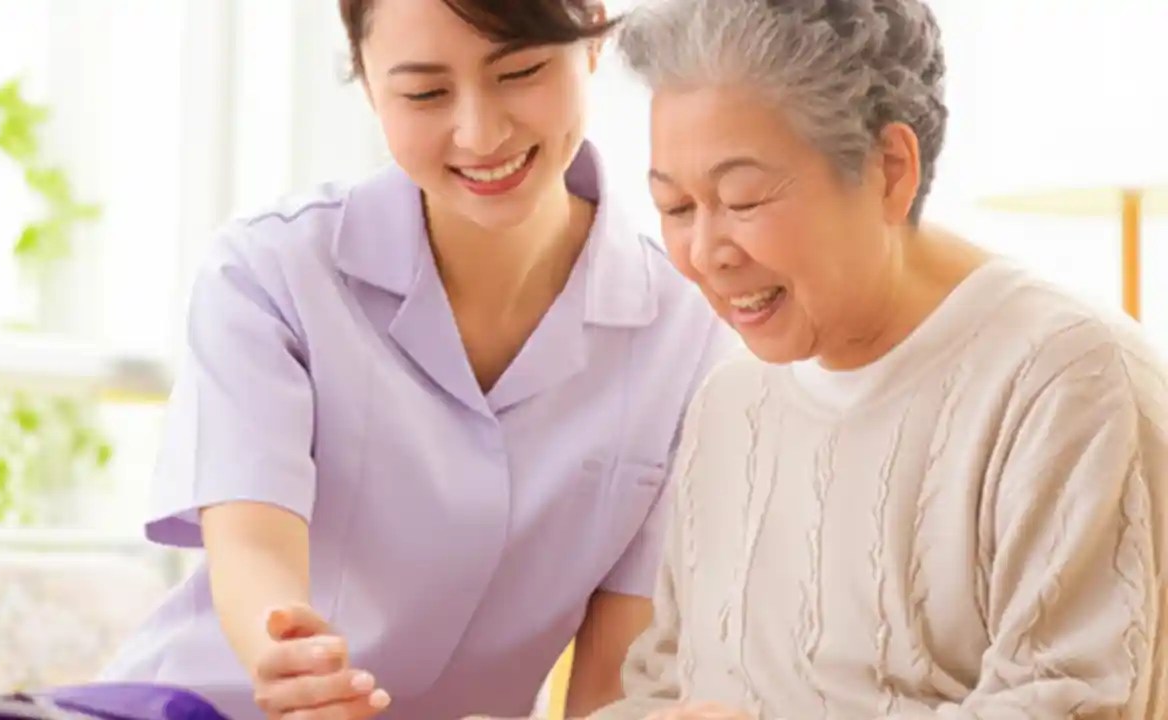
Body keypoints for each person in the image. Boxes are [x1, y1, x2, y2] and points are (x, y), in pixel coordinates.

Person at [99, 1, 735, 719]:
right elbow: (253, 546)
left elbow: (613, 680)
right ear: (369, 86)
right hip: (192, 704)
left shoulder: (688, 335)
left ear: (590, 38)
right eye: (425, 93)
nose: (480, 132)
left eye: (520, 71)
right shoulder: (271, 271)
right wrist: (292, 657)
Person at [578, 0, 1167, 718]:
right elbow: (663, 686)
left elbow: (1070, 702)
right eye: (674, 208)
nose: (704, 254)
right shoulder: (730, 401)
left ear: (890, 169)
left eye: (743, 199)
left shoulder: (1066, 379)